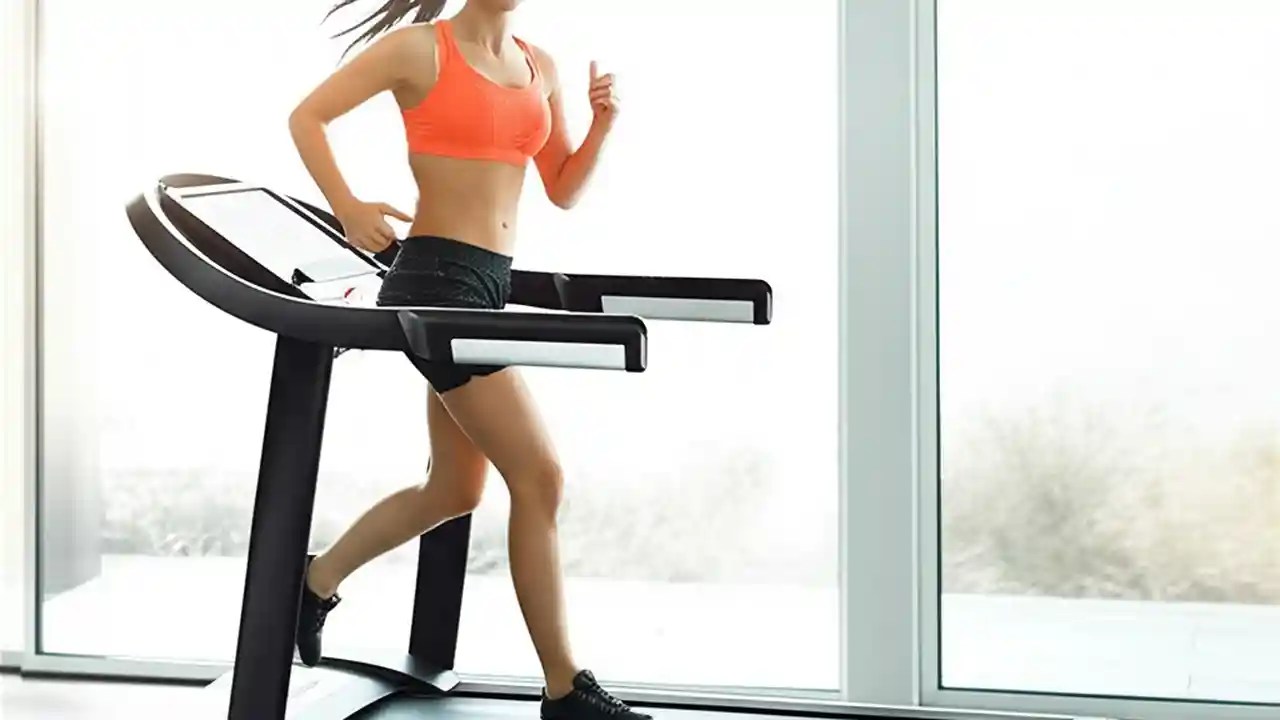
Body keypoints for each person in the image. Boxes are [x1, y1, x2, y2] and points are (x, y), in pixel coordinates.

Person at [287, 1, 648, 719]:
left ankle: (313, 581)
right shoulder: (421, 50)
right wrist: (347, 205)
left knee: (455, 489)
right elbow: (308, 117)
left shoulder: (538, 64)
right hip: (435, 281)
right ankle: (564, 689)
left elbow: (563, 189)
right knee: (540, 476)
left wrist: (602, 125)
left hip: (490, 285)